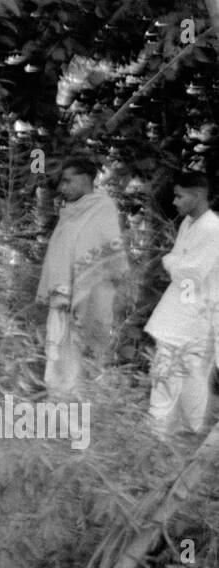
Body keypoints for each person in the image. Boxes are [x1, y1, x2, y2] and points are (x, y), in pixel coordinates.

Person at [36, 156, 130, 399]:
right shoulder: (70, 212)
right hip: (61, 297)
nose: (62, 188)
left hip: (90, 295)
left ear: (86, 179)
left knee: (80, 358)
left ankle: (79, 411)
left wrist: (80, 287)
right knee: (58, 354)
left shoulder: (103, 207)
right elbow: (61, 252)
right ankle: (59, 407)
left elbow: (107, 255)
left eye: (68, 181)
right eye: (61, 182)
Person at [145, 170, 219, 437]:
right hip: (180, 312)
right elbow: (181, 266)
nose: (175, 202)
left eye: (179, 195)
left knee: (176, 377)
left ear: (198, 195)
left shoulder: (212, 228)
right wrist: (175, 264)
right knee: (177, 376)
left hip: (195, 316)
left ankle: (162, 435)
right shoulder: (188, 223)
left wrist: (170, 262)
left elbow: (191, 274)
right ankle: (174, 435)